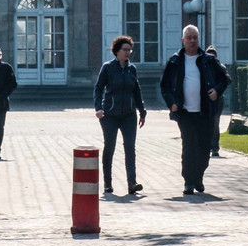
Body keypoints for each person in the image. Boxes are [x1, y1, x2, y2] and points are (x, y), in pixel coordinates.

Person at [160, 24, 230, 195]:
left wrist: (217, 91)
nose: (192, 41)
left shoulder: (208, 60)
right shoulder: (174, 61)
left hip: (205, 111)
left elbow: (225, 78)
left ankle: (198, 177)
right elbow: (165, 86)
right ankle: (189, 182)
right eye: (189, 38)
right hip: (184, 112)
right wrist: (171, 103)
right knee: (189, 145)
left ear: (198, 39)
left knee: (204, 147)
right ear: (183, 40)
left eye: (195, 38)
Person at [93, 35, 148, 195]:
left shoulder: (132, 69)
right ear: (117, 51)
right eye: (125, 50)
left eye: (129, 50)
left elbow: (136, 91)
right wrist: (98, 108)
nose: (128, 52)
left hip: (129, 115)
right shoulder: (108, 68)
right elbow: (98, 89)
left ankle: (132, 183)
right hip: (109, 114)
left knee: (130, 148)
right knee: (110, 146)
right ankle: (108, 184)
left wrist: (142, 111)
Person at [206, 45, 228, 157]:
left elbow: (225, 81)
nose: (210, 56)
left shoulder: (221, 67)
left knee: (215, 123)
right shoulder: (203, 67)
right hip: (205, 100)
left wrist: (217, 91)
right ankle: (207, 146)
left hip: (217, 100)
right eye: (208, 53)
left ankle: (214, 147)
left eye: (212, 54)